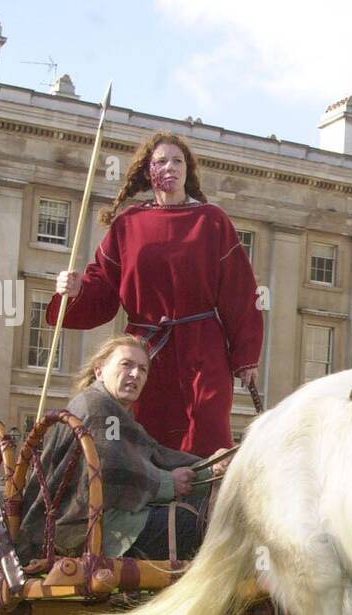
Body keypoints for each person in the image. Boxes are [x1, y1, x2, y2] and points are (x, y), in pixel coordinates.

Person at [47, 131, 263, 458]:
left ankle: (200, 507)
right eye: (161, 161)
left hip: (203, 349)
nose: (170, 167)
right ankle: (147, 498)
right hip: (146, 349)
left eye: (178, 161)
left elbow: (240, 290)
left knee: (204, 432)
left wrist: (245, 355)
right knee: (143, 431)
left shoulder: (211, 221)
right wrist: (76, 290)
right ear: (148, 172)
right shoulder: (128, 224)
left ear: (187, 171)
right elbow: (103, 283)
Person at [15, 335, 228, 563]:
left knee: (207, 511)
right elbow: (111, 472)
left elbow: (155, 455)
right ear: (99, 371)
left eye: (143, 369)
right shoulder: (96, 406)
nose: (135, 374)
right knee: (206, 524)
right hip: (85, 531)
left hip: (106, 522)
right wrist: (167, 483)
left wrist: (209, 468)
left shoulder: (117, 413)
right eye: (126, 364)